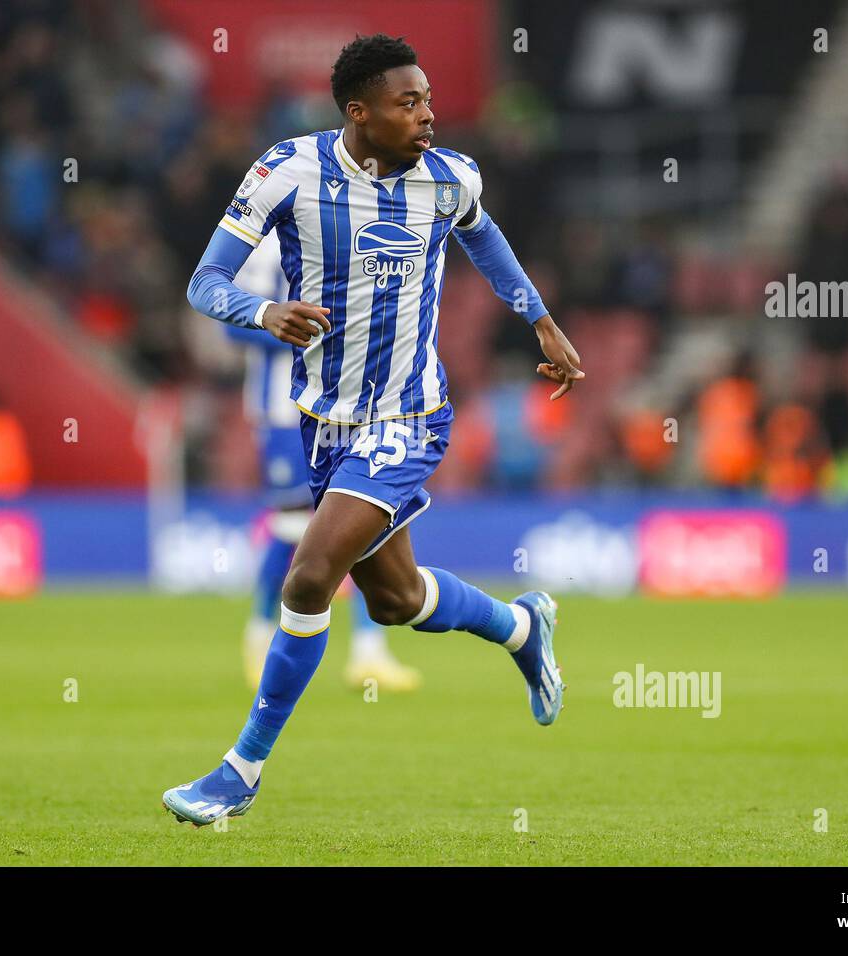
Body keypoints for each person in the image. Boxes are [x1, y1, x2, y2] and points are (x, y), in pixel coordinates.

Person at [167, 34, 583, 826]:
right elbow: (204, 282)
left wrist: (541, 321)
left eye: (428, 99)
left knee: (307, 573)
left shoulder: (449, 178)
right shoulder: (287, 171)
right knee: (394, 600)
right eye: (408, 103)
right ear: (359, 112)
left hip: (408, 415)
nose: (428, 115)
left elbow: (482, 233)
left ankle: (239, 772)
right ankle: (523, 625)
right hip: (325, 422)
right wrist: (262, 310)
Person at [222, 228, 422, 692]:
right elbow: (229, 325)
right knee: (294, 522)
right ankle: (258, 635)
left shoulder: (346, 230)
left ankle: (369, 654)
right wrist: (308, 332)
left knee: (360, 518)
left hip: (347, 407)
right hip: (283, 408)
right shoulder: (267, 245)